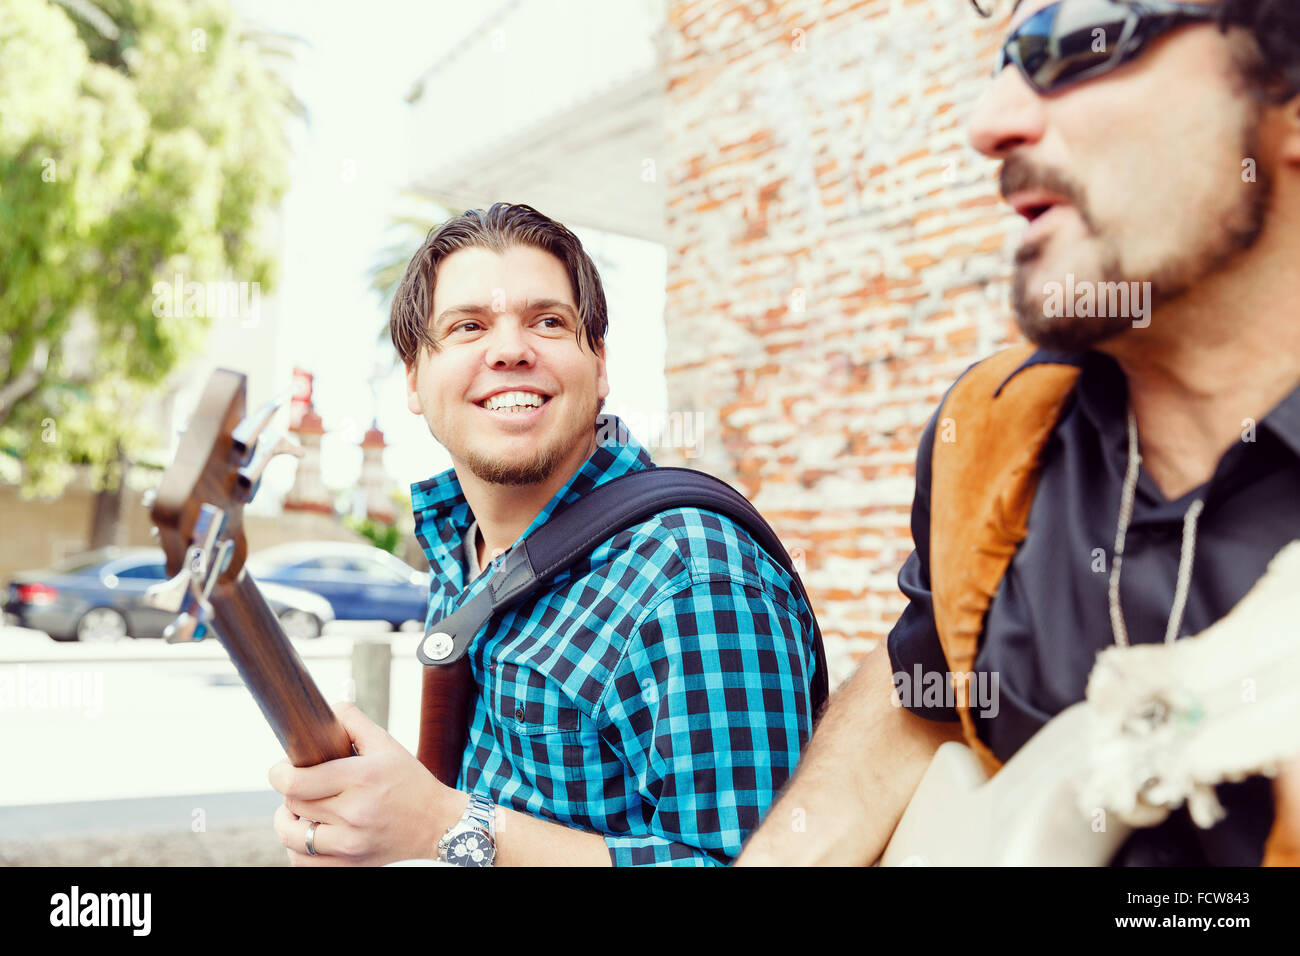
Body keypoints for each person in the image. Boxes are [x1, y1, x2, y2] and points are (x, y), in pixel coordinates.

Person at [739, 0, 1300, 866]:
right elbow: (923, 688)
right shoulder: (993, 425)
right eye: (1009, 52)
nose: (989, 122)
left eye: (1080, 39)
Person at [269, 203, 820, 866]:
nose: (509, 350)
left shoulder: (693, 574)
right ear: (413, 379)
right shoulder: (461, 544)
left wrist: (447, 825)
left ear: (600, 364)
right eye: (468, 325)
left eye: (548, 322)